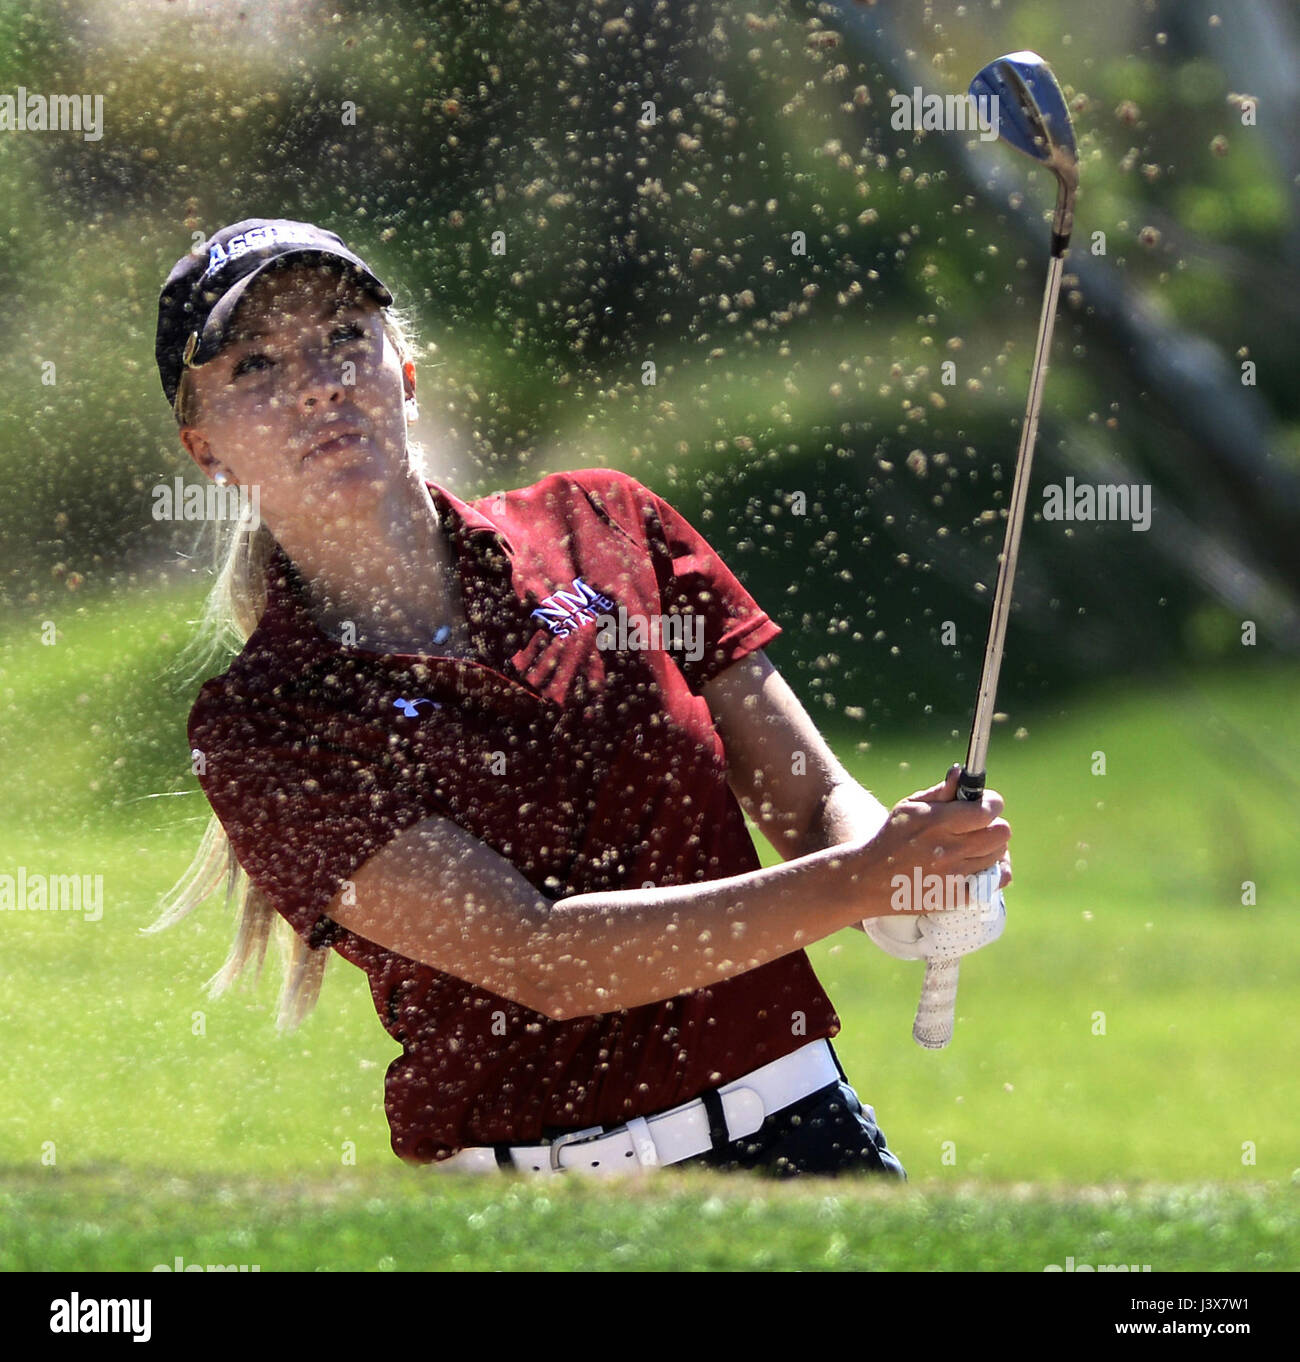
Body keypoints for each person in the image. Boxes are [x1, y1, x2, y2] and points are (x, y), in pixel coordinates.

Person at [148, 218, 1012, 1180]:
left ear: (405, 370)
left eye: (345, 335)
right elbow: (544, 959)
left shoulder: (606, 522)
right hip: (532, 1214)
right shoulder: (264, 725)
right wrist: (861, 882)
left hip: (807, 1145)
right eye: (255, 365)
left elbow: (812, 804)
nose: (317, 381)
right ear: (205, 448)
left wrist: (917, 866)